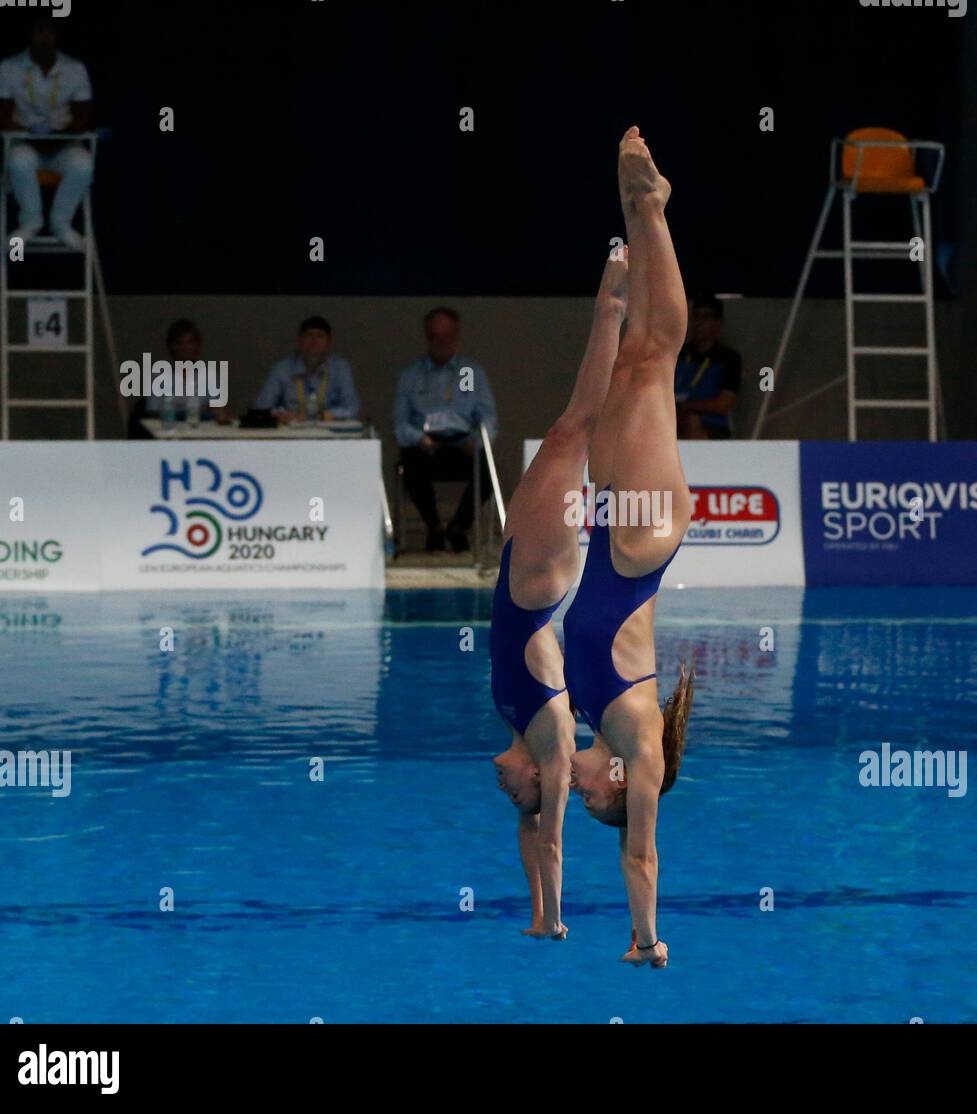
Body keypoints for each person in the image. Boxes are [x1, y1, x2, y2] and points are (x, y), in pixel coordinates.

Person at [563, 128, 695, 969]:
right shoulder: (639, 751)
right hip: (643, 540)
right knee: (653, 363)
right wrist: (646, 939)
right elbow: (640, 855)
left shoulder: (585, 713)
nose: (570, 791)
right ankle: (653, 211)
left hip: (618, 528)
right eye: (585, 801)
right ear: (616, 787)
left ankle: (629, 248)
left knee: (624, 372)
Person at [490, 249, 628, 941]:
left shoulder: (519, 722)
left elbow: (527, 833)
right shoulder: (552, 735)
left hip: (523, 570)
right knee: (578, 424)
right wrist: (562, 912)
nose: (502, 788)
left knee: (573, 428)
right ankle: (615, 297)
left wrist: (540, 919)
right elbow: (548, 838)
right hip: (540, 578)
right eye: (516, 794)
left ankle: (617, 303)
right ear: (540, 780)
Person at [393, 308, 499, 552]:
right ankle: (434, 527)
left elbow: (488, 418)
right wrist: (419, 439)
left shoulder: (470, 373)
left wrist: (479, 441)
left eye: (447, 336)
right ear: (427, 336)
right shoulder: (411, 375)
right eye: (435, 336)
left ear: (456, 336)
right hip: (425, 445)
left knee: (488, 471)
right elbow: (400, 425)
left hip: (462, 443)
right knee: (410, 465)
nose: (441, 342)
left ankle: (458, 526)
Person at [0, 15, 95, 250]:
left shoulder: (75, 69)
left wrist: (59, 134)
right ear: (30, 35)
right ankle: (30, 222)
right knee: (18, 160)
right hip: (24, 144)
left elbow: (84, 117)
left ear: (58, 35)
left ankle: (61, 223)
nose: (45, 37)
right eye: (40, 31)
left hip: (64, 146)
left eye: (50, 32)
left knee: (83, 164)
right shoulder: (9, 68)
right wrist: (30, 132)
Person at [128, 319, 228, 438]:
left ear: (198, 345)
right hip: (167, 435)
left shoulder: (210, 376)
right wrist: (184, 413)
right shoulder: (159, 374)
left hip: (200, 435)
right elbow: (152, 411)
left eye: (190, 342)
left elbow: (219, 411)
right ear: (171, 347)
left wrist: (217, 413)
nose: (185, 348)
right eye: (179, 343)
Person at [254, 316, 361, 422]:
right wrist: (280, 415)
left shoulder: (340, 368)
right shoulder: (282, 369)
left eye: (320, 336)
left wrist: (324, 416)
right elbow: (261, 408)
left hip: (329, 433)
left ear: (329, 342)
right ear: (299, 340)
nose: (314, 340)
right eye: (309, 335)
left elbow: (352, 409)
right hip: (291, 432)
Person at [674, 296, 741, 439]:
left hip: (711, 426)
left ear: (718, 324)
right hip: (674, 419)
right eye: (695, 317)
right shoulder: (679, 353)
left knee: (692, 420)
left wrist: (687, 406)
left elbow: (724, 403)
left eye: (705, 317)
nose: (698, 323)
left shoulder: (728, 358)